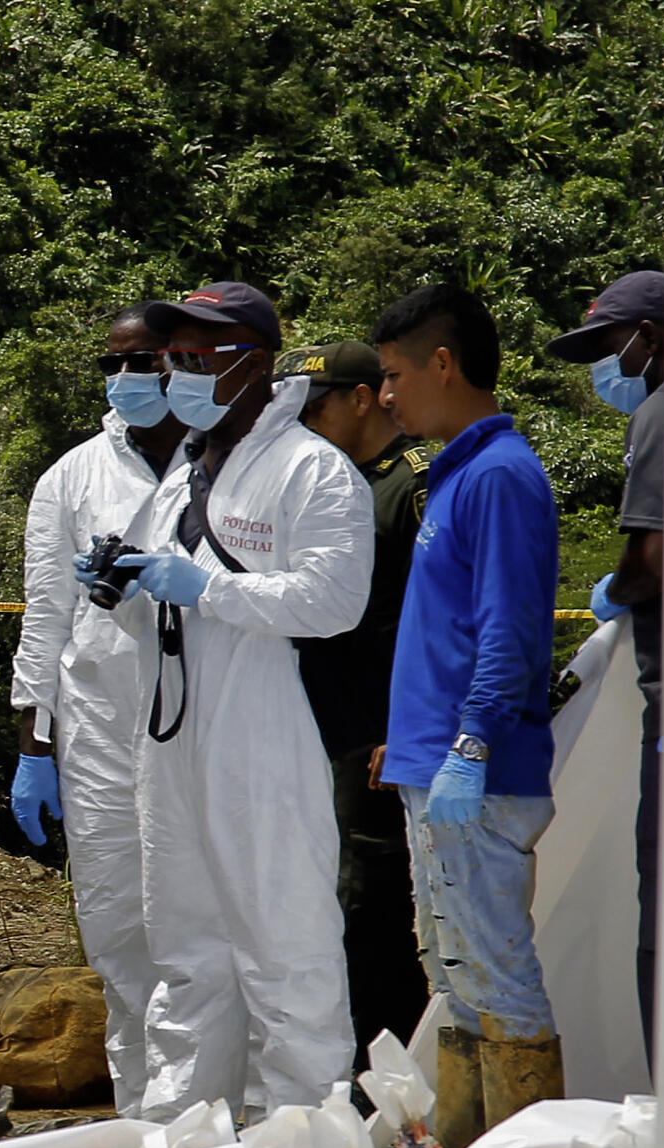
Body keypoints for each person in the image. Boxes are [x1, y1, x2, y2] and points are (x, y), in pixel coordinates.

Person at [82, 282, 371, 1120]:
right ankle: (187, 1134)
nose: (176, 374)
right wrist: (123, 591)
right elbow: (155, 607)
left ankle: (302, 1140)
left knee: (285, 946)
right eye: (171, 359)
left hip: (267, 733)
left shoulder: (312, 470)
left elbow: (331, 602)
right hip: (173, 733)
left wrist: (202, 588)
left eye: (195, 358)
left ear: (255, 362)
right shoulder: (184, 474)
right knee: (188, 944)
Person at [376, 284, 563, 1144]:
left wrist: (472, 743)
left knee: (494, 971)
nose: (384, 396)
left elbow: (509, 628)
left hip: (473, 772)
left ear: (441, 364)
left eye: (392, 375)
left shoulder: (498, 476)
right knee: (454, 975)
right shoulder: (455, 473)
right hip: (436, 763)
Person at [9, 306, 187, 1115]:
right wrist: (34, 745)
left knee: (203, 923)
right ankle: (140, 1107)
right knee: (117, 926)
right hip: (97, 729)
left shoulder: (226, 459)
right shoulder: (72, 475)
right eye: (112, 364)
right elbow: (44, 617)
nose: (126, 378)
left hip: (204, 722)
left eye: (142, 360)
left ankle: (218, 1108)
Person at [276, 340, 433, 1063]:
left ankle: (384, 1086)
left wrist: (403, 727)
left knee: (371, 917)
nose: (303, 420)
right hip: (316, 728)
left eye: (316, 405)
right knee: (319, 911)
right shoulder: (324, 482)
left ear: (363, 398)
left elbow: (426, 619)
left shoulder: (410, 485)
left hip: (377, 736)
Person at [546, 269, 664, 1061]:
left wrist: (620, 590)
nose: (602, 365)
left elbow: (653, 552)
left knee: (662, 904)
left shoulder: (663, 411)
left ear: (650, 339)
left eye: (608, 345)